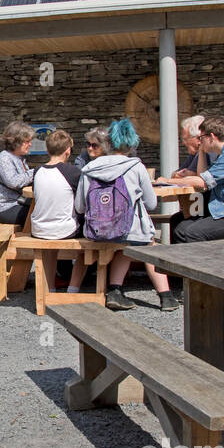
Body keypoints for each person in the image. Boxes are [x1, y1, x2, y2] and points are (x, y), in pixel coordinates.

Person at [75, 119, 179, 311]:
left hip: (96, 231)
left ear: (108, 143)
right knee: (146, 243)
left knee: (125, 244)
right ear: (132, 143)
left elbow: (80, 207)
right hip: (129, 230)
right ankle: (166, 296)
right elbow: (151, 203)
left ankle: (115, 291)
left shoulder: (89, 169)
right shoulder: (135, 166)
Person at [30, 128, 88, 294]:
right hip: (65, 229)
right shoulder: (73, 172)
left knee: (49, 247)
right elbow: (82, 203)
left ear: (48, 150)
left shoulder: (37, 172)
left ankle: (50, 288)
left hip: (39, 229)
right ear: (68, 151)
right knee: (90, 240)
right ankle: (73, 287)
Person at [0, 120, 36, 225]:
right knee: (42, 215)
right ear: (15, 141)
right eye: (27, 141)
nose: (30, 144)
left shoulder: (19, 158)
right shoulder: (4, 158)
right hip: (8, 208)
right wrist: (36, 172)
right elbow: (13, 182)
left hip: (21, 204)